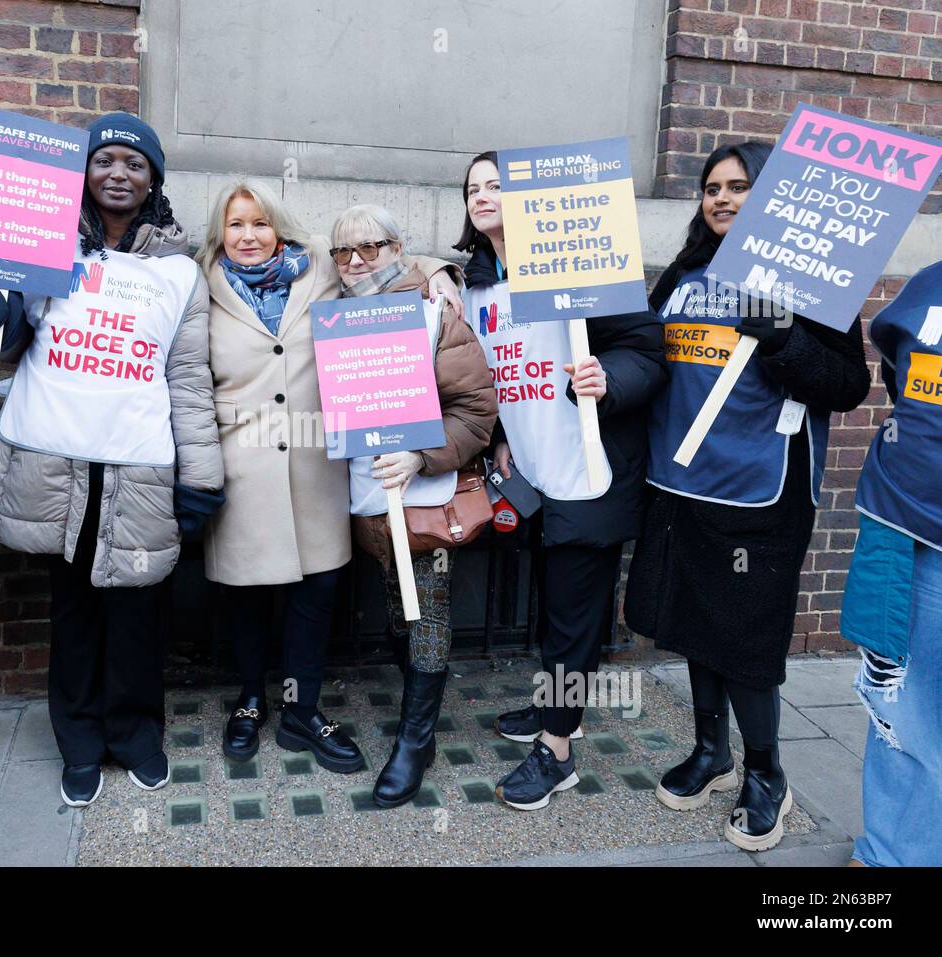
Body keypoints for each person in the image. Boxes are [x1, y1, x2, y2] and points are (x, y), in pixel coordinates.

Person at [0, 113, 224, 808]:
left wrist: (200, 476)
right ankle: (78, 741)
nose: (118, 173)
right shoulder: (40, 251)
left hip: (139, 470)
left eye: (135, 164)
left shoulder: (179, 273)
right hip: (55, 469)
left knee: (137, 613)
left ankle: (135, 735)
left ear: (153, 182)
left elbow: (189, 379)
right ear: (83, 172)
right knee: (73, 610)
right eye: (104, 159)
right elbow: (4, 348)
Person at [625, 142, 871, 851]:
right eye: (712, 187)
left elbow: (848, 386)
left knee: (746, 638)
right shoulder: (685, 273)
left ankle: (767, 773)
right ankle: (712, 752)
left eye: (739, 186)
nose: (722, 197)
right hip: (681, 480)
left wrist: (785, 337)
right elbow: (651, 357)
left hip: (761, 491)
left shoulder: (812, 288)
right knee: (695, 620)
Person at [199, 180, 463, 772]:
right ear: (220, 232)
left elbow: (381, 254)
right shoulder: (198, 282)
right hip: (241, 467)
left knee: (314, 594)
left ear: (280, 227)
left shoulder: (317, 265)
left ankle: (303, 711)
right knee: (245, 595)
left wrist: (441, 270)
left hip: (318, 466)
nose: (249, 236)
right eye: (236, 224)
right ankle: (248, 703)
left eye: (261, 223)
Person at [456, 151, 667, 811]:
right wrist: (494, 438)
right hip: (532, 475)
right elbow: (487, 377)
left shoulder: (587, 267)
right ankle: (559, 706)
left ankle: (558, 751)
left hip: (589, 470)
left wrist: (610, 379)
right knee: (556, 608)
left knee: (574, 617)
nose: (484, 194)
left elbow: (647, 352)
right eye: (473, 188)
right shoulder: (476, 281)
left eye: (498, 184)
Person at [331, 204, 497, 806]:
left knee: (426, 613)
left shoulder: (434, 315)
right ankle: (415, 718)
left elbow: (477, 411)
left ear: (397, 249)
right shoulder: (334, 316)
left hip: (420, 498)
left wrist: (422, 456)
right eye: (342, 252)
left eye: (370, 249)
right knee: (400, 613)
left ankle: (414, 739)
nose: (354, 262)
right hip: (363, 502)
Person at [841, 259, 942, 867]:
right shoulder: (930, 283)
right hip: (907, 532)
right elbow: (897, 371)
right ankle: (891, 857)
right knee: (904, 703)